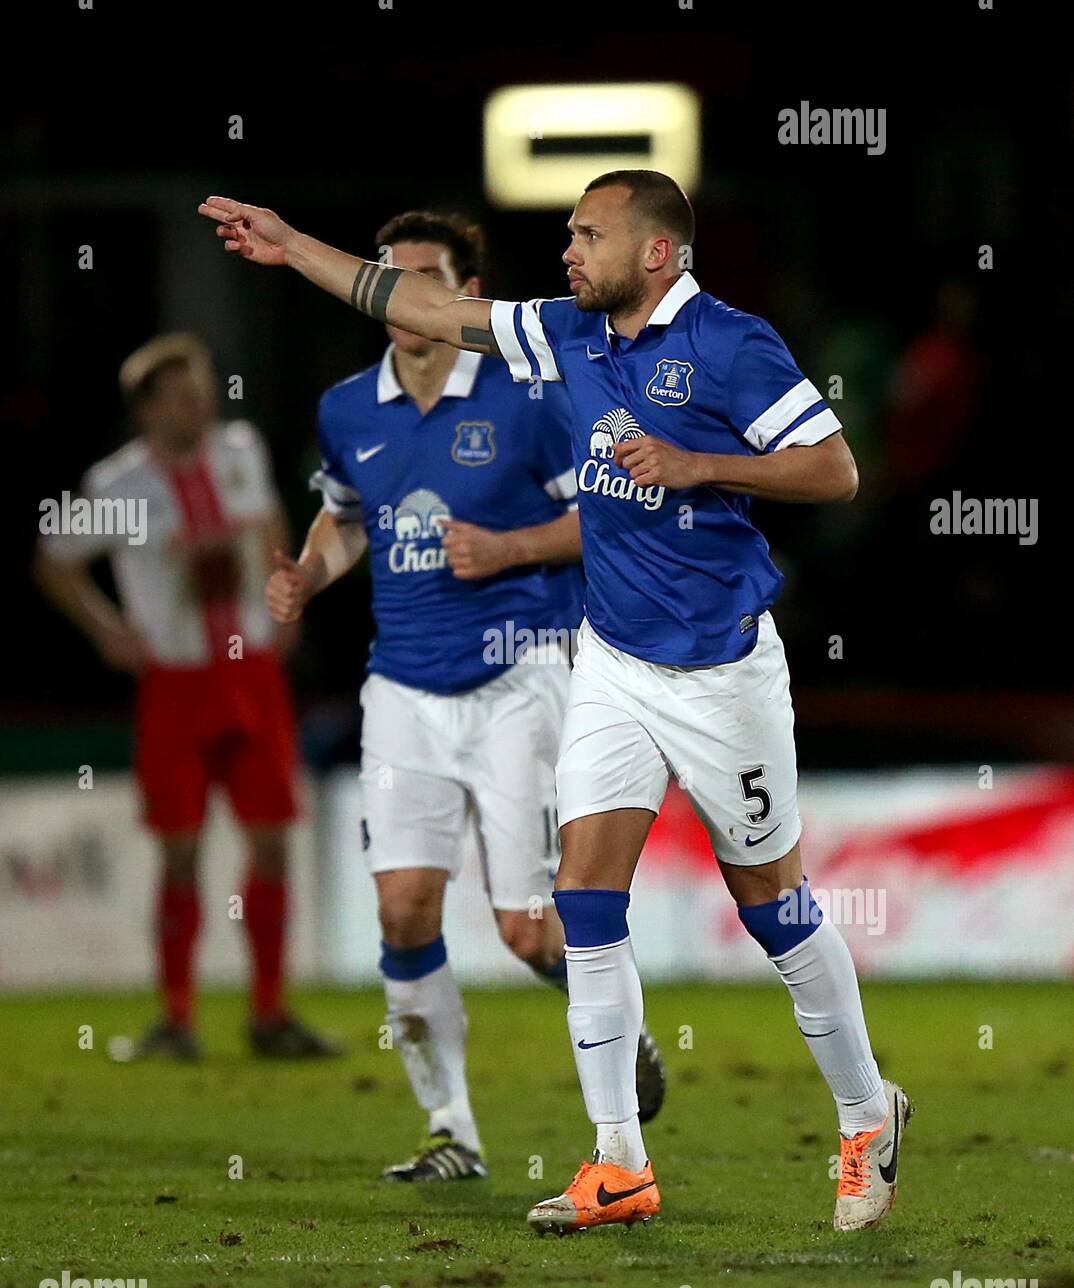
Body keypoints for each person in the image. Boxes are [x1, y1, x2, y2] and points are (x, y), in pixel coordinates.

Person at [198, 171, 911, 1233]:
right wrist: (295, 243)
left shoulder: (730, 343)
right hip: (612, 664)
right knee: (581, 899)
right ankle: (618, 1160)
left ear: (658, 253)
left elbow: (837, 468)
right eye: (570, 233)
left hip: (721, 671)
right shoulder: (564, 335)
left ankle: (866, 1112)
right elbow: (427, 306)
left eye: (589, 235)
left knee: (773, 906)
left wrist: (694, 462)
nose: (568, 251)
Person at [265, 211, 666, 1181]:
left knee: (528, 928)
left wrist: (511, 548)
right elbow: (346, 516)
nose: (406, 299)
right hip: (402, 683)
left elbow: (613, 509)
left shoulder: (531, 397)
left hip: (521, 674)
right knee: (403, 912)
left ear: (465, 293)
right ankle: (453, 1130)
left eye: (425, 279)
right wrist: (308, 576)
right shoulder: (348, 408)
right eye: (390, 279)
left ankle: (625, 1031)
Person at [35, 333, 338, 1060]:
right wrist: (109, 630)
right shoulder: (119, 485)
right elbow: (54, 561)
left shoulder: (239, 452)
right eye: (180, 394)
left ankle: (269, 1012)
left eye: (202, 389)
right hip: (175, 680)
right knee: (180, 850)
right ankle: (177, 1018)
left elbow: (268, 523)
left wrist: (285, 590)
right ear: (145, 409)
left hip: (253, 671)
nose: (198, 403)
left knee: (271, 840)